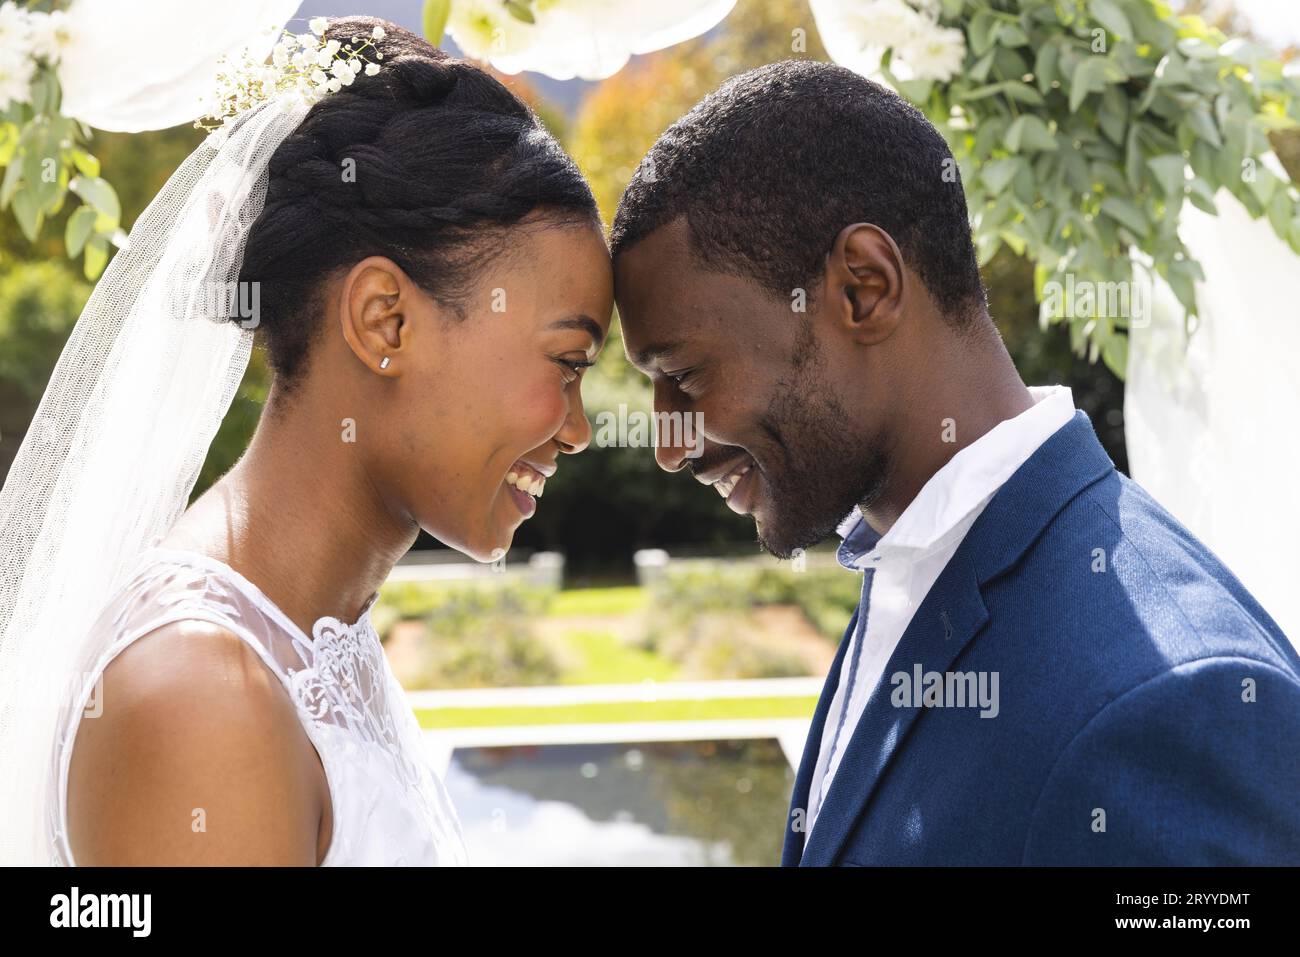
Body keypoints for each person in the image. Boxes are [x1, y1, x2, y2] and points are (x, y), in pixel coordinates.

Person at [611, 59, 1300, 865]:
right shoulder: (912, 556)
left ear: (864, 288)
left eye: (685, 376)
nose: (669, 445)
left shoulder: (1170, 704)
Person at [0, 16, 612, 866]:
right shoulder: (205, 694)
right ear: (383, 320)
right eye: (567, 360)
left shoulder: (316, 636)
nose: (578, 428)